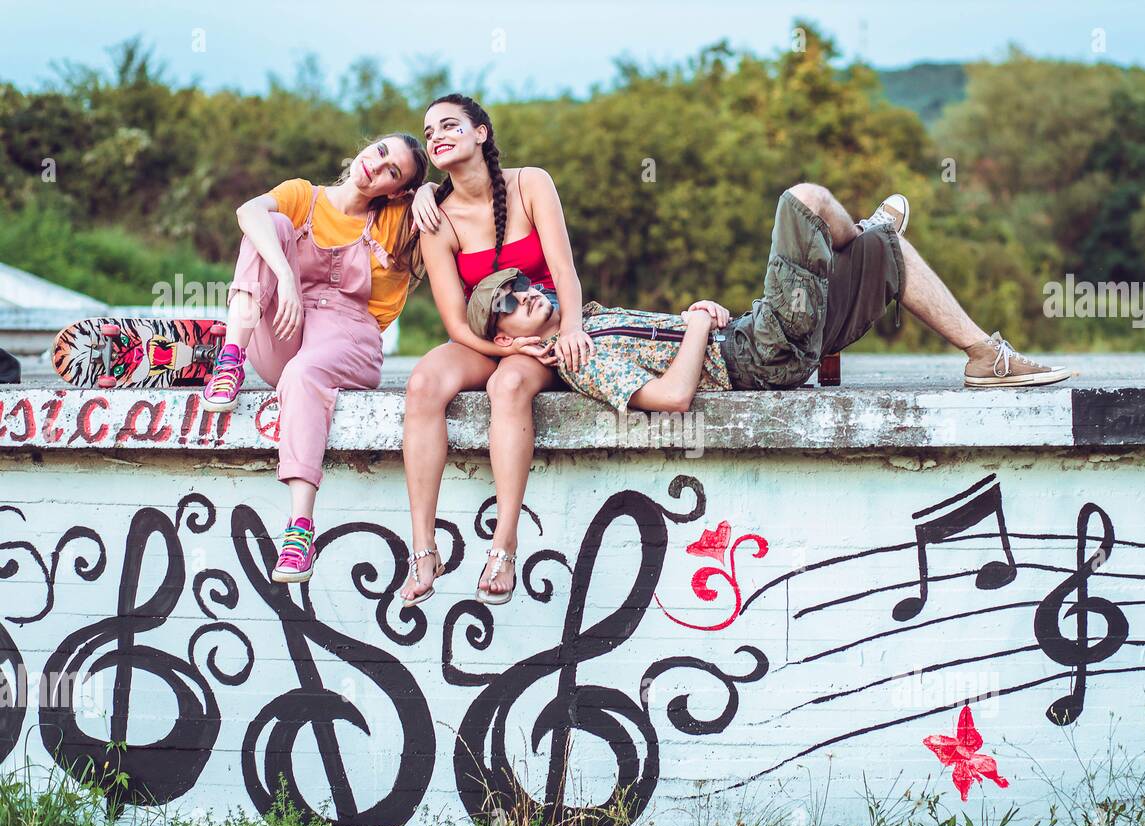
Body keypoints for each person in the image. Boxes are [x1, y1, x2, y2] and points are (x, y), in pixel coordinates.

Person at [463, 185, 1075, 413]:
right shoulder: (582, 359)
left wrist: (704, 318)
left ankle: (984, 356)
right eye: (511, 304)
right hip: (754, 357)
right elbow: (673, 397)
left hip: (755, 337)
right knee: (800, 200)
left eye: (521, 285)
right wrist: (699, 323)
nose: (527, 294)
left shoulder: (585, 325)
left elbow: (666, 341)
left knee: (890, 249)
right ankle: (854, 238)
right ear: (509, 340)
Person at [199, 133, 428, 583]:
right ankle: (231, 357)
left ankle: (300, 527)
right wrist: (285, 274)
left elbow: (460, 193)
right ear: (367, 145)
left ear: (397, 191)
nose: (377, 167)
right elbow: (247, 211)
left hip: (350, 333)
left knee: (304, 374)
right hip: (289, 316)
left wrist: (423, 191)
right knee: (270, 225)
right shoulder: (304, 195)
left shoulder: (396, 222)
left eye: (393, 173)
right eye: (380, 152)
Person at [397, 94, 587, 609]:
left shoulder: (531, 184)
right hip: (486, 339)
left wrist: (567, 329)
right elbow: (456, 322)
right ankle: (423, 551)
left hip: (544, 331)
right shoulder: (436, 218)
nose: (437, 134)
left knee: (508, 385)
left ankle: (504, 544)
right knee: (422, 383)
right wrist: (501, 343)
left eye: (450, 125)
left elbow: (565, 270)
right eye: (429, 129)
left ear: (481, 133)